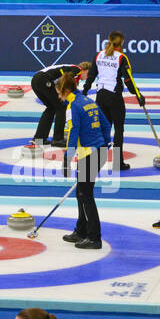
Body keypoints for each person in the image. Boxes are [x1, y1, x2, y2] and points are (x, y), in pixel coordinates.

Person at [58, 67, 111, 249]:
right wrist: (106, 143)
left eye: (59, 93)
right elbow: (105, 124)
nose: (59, 97)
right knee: (80, 192)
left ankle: (94, 237)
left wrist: (67, 158)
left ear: (65, 90)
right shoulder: (88, 100)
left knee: (86, 195)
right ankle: (80, 231)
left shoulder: (73, 107)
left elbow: (73, 133)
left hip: (90, 154)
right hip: (98, 151)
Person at [81, 31, 143, 172]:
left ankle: (97, 161)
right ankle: (118, 163)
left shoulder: (99, 55)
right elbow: (128, 80)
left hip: (100, 96)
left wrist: (84, 92)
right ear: (121, 43)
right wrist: (138, 95)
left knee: (103, 129)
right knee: (118, 130)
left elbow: (91, 76)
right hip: (114, 97)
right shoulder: (121, 58)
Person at [30, 61, 87, 147]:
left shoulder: (71, 68)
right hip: (44, 79)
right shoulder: (77, 69)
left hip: (36, 80)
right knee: (61, 107)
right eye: (88, 74)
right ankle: (58, 139)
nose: (87, 77)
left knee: (51, 108)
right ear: (86, 70)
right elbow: (66, 80)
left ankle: (39, 139)